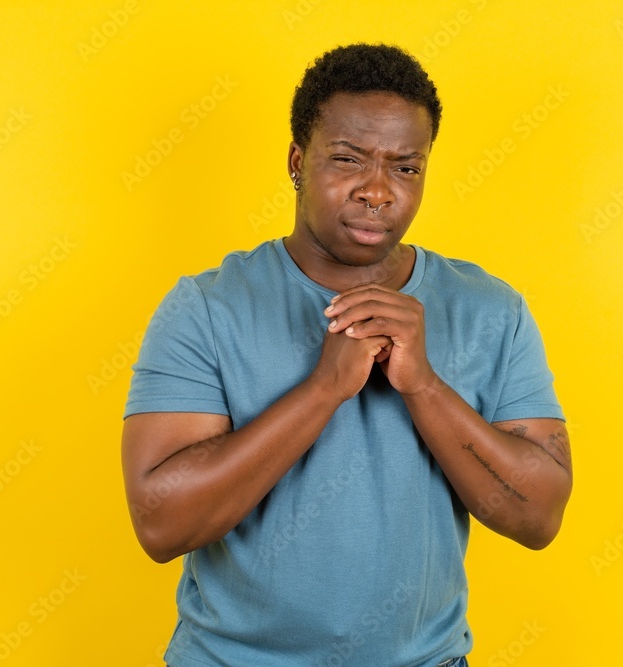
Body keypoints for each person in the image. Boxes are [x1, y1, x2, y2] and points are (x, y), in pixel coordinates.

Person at [121, 43, 572, 667]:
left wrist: (425, 388)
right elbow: (162, 525)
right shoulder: (206, 307)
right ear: (297, 161)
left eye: (406, 168)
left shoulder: (491, 310)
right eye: (348, 160)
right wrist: (322, 390)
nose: (378, 191)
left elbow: (538, 517)